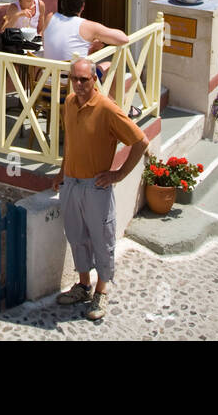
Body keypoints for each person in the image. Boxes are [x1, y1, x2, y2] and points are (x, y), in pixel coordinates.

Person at [50, 57, 149, 320]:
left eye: (84, 79)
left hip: (96, 187)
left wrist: (119, 174)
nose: (79, 84)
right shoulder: (69, 104)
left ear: (95, 79)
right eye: (75, 79)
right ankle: (83, 285)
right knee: (77, 237)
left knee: (101, 239)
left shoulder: (107, 109)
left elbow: (140, 141)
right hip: (71, 183)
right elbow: (70, 142)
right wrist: (61, 173)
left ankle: (101, 292)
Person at [42, 0, 129, 74]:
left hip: (46, 83)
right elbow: (124, 39)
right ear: (82, 6)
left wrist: (91, 49)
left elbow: (56, 49)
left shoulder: (50, 18)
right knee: (114, 68)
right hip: (76, 84)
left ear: (62, 4)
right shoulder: (88, 26)